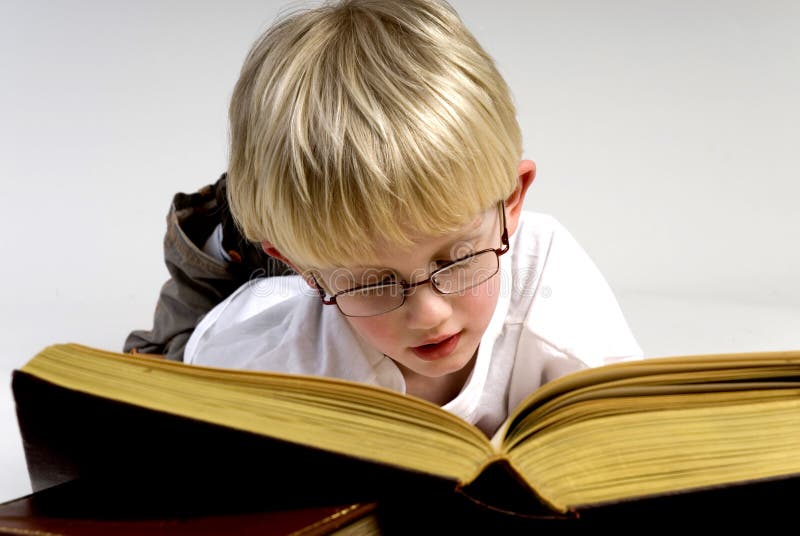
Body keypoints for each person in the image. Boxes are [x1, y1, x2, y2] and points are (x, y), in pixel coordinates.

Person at [126, 0, 642, 437]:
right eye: (375, 281)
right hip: (243, 282)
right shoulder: (257, 360)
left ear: (510, 201)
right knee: (157, 380)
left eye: (458, 258)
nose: (430, 316)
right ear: (305, 271)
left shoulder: (555, 290)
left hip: (331, 260)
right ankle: (238, 221)